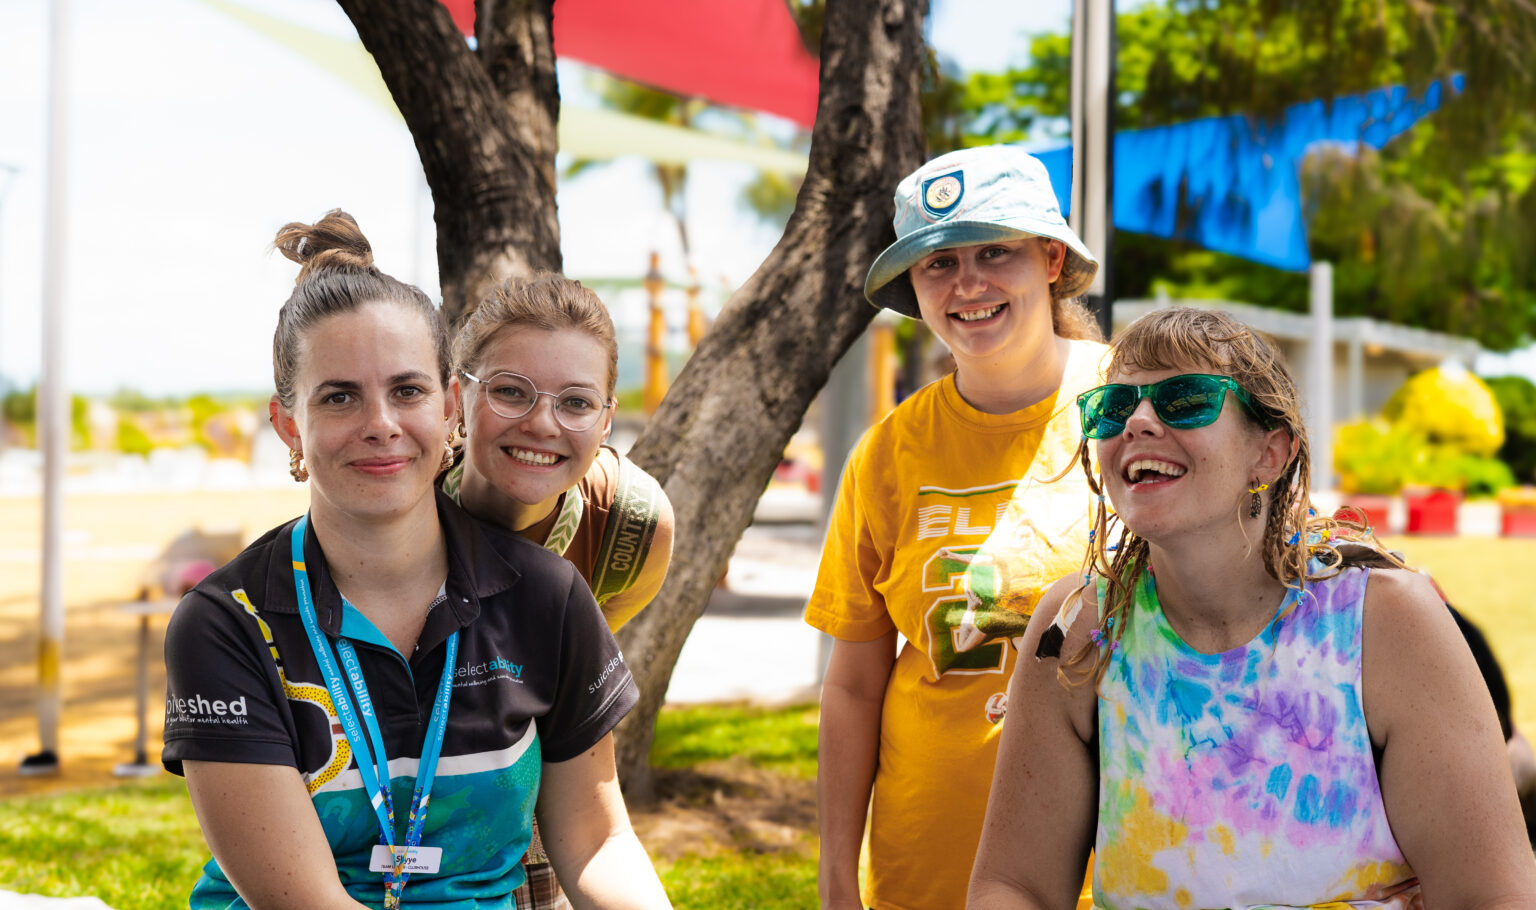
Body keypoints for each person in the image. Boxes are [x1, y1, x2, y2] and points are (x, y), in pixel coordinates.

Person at [162, 210, 672, 910]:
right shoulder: (227, 622)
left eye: (407, 391)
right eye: (339, 397)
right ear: (288, 425)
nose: (381, 424)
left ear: (450, 406)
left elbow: (597, 841)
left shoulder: (550, 595)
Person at [969, 306, 1536, 909]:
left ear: (1270, 453)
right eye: (1112, 407)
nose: (1136, 422)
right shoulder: (1079, 628)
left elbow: (1492, 897)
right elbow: (1016, 886)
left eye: (1186, 400)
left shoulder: (1383, 621)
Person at [805, 145, 1109, 910]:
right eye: (939, 262)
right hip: (928, 859)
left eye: (995, 252)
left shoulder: (1136, 408)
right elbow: (853, 687)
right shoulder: (886, 453)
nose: (967, 284)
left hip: (1114, 860)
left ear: (1050, 259)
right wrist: (837, 880)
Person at [441, 272, 675, 908]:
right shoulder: (404, 497)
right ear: (458, 396)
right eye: (510, 392)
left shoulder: (631, 525)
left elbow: (574, 667)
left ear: (606, 419)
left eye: (575, 402)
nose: (542, 423)